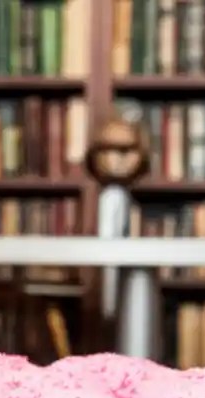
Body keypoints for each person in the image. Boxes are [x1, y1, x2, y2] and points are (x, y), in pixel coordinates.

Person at [84, 116, 150, 322]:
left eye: (125, 150)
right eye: (106, 149)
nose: (116, 158)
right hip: (98, 305)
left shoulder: (129, 200)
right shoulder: (99, 200)